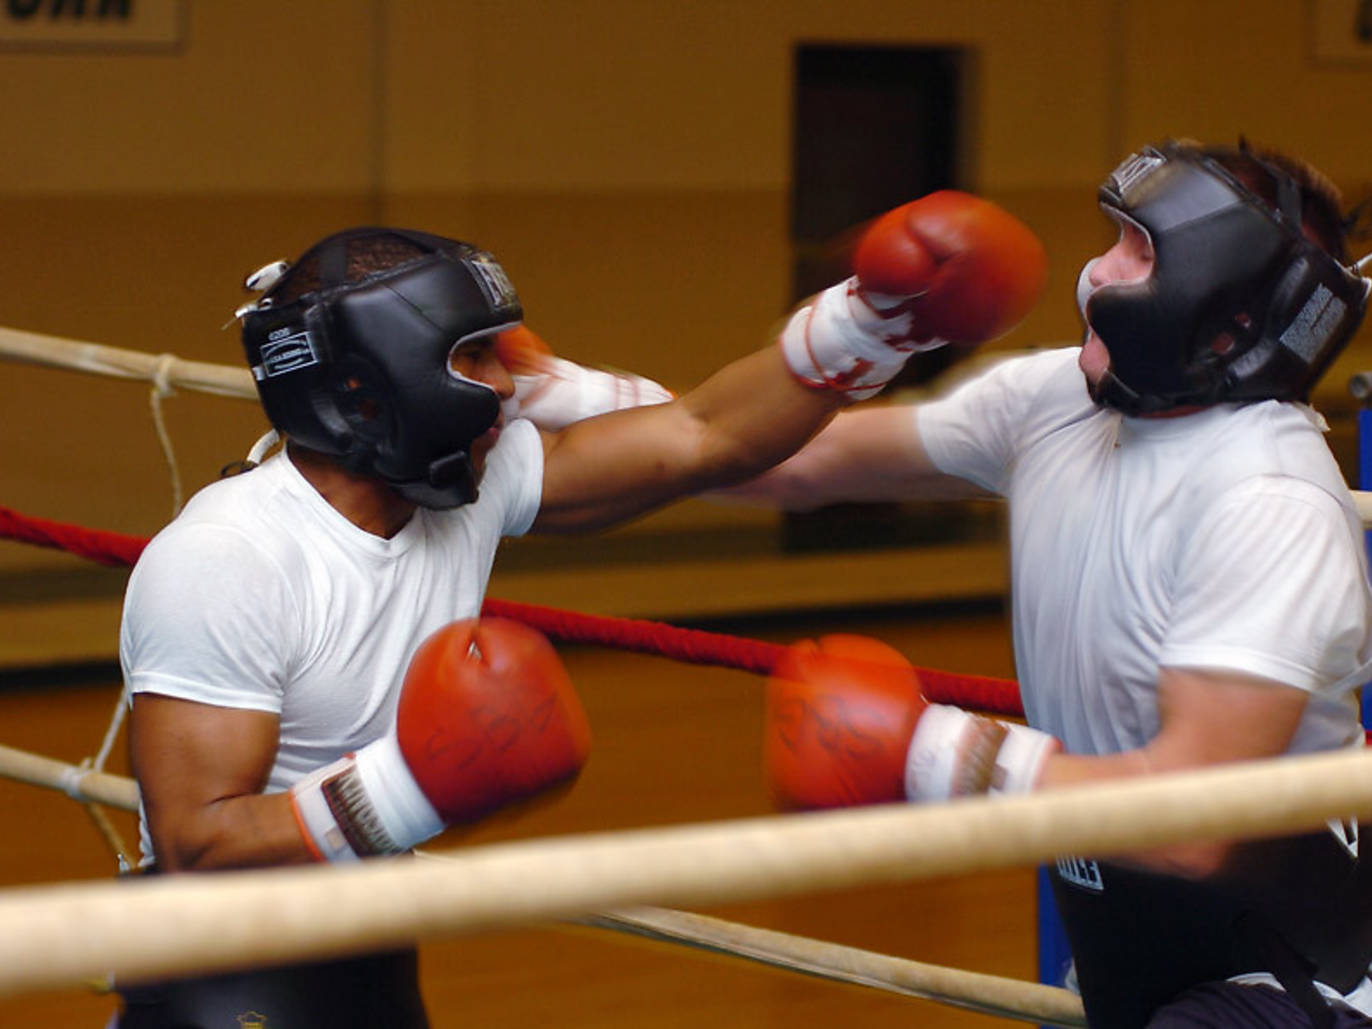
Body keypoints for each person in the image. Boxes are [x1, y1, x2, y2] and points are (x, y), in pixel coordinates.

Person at [116, 196, 1047, 1028]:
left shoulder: (466, 486)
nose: (512, 385)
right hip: (220, 967)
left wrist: (871, 324)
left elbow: (703, 436)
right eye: (473, 355)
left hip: (365, 940)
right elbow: (201, 841)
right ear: (373, 385)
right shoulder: (226, 558)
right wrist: (412, 783)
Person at [709, 139, 1372, 1028]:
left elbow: (1192, 822)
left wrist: (927, 751)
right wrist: (550, 413)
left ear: (1225, 309)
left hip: (1300, 977)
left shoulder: (1266, 501)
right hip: (1134, 950)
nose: (1095, 273)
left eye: (1141, 250)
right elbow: (785, 460)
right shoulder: (1056, 399)